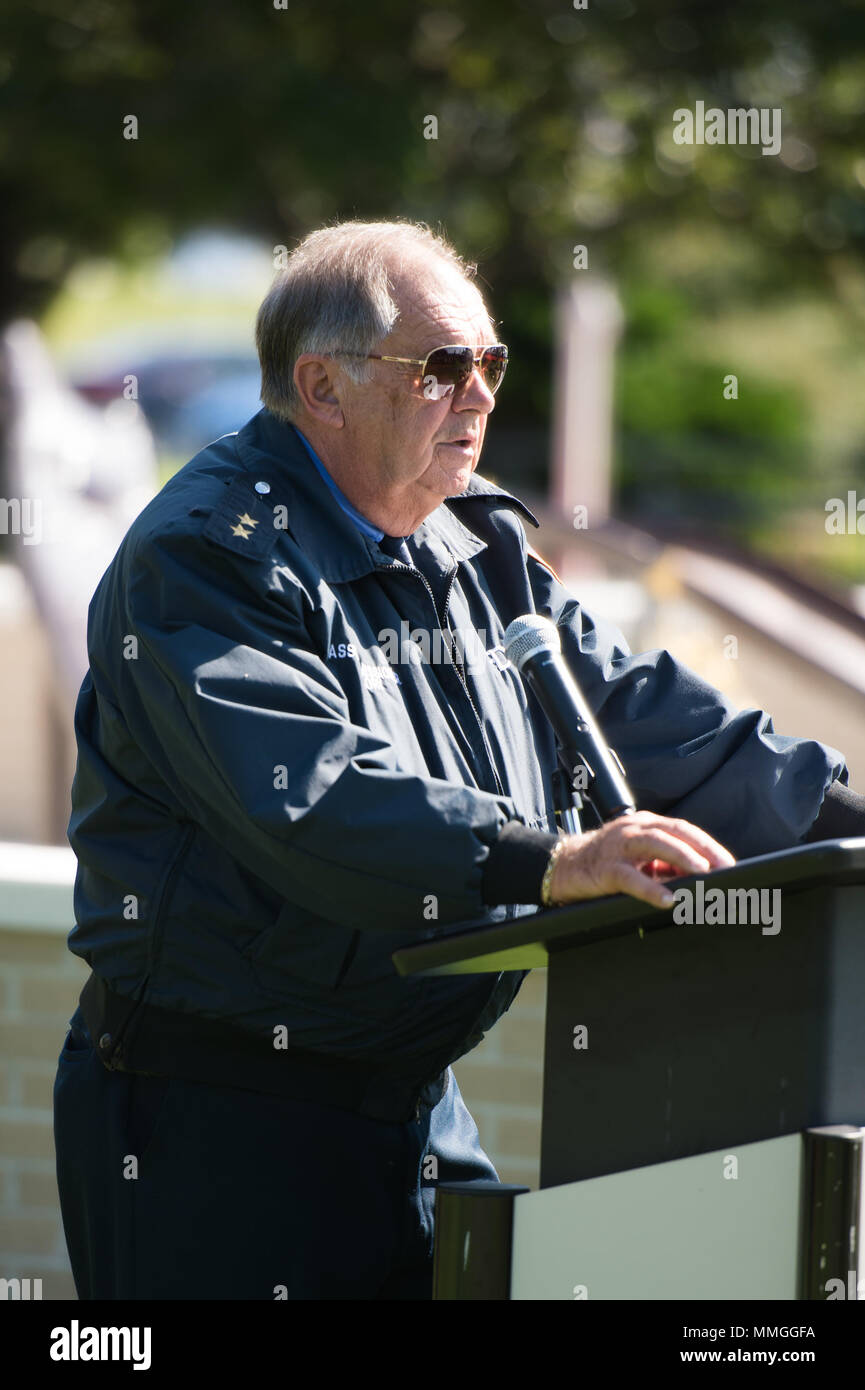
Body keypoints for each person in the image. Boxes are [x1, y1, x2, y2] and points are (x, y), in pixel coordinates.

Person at [54, 219, 865, 1301]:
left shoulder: (473, 545)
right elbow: (315, 798)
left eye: (490, 362)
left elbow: (650, 720)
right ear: (323, 385)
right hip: (218, 1115)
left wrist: (847, 823)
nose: (479, 393)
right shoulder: (205, 556)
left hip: (411, 1104)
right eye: (444, 365)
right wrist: (550, 858)